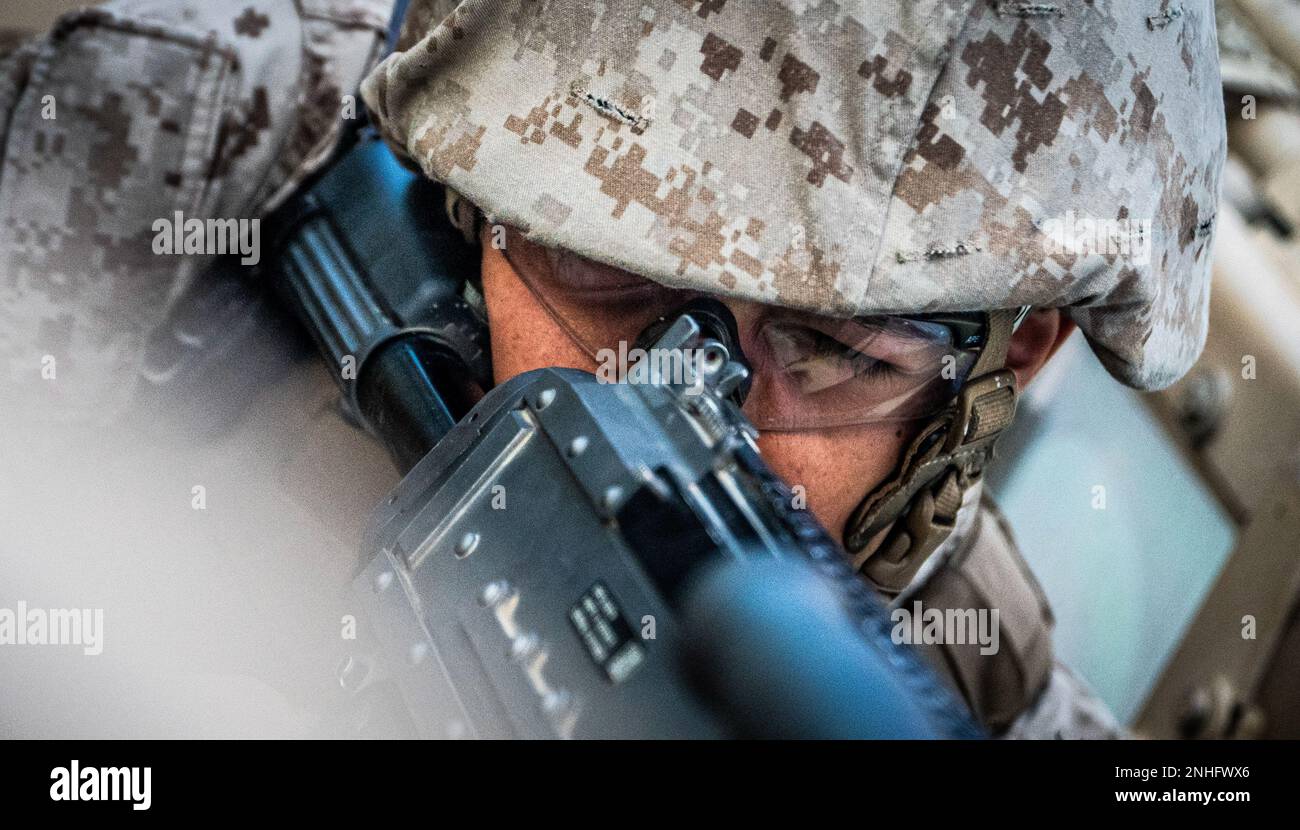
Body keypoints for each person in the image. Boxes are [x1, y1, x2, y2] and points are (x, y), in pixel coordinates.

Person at [0, 0, 1227, 737]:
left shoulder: (926, 615)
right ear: (463, 177)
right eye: (596, 264)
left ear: (1008, 355)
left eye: (826, 348)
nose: (671, 387)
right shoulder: (218, 108)